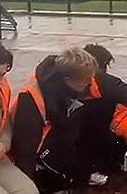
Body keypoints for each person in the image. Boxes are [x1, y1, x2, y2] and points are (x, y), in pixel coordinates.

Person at [11, 48, 98, 193]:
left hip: (57, 139)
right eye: (85, 81)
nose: (90, 83)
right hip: (33, 148)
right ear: (67, 80)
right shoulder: (30, 99)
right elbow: (25, 151)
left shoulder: (71, 84)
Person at [81, 44, 127, 184]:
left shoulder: (104, 84)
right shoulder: (98, 81)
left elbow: (126, 92)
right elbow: (126, 91)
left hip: (95, 137)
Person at [0, 42, 38, 193]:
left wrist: (4, 143)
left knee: (28, 190)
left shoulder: (3, 89)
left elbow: (6, 124)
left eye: (2, 74)